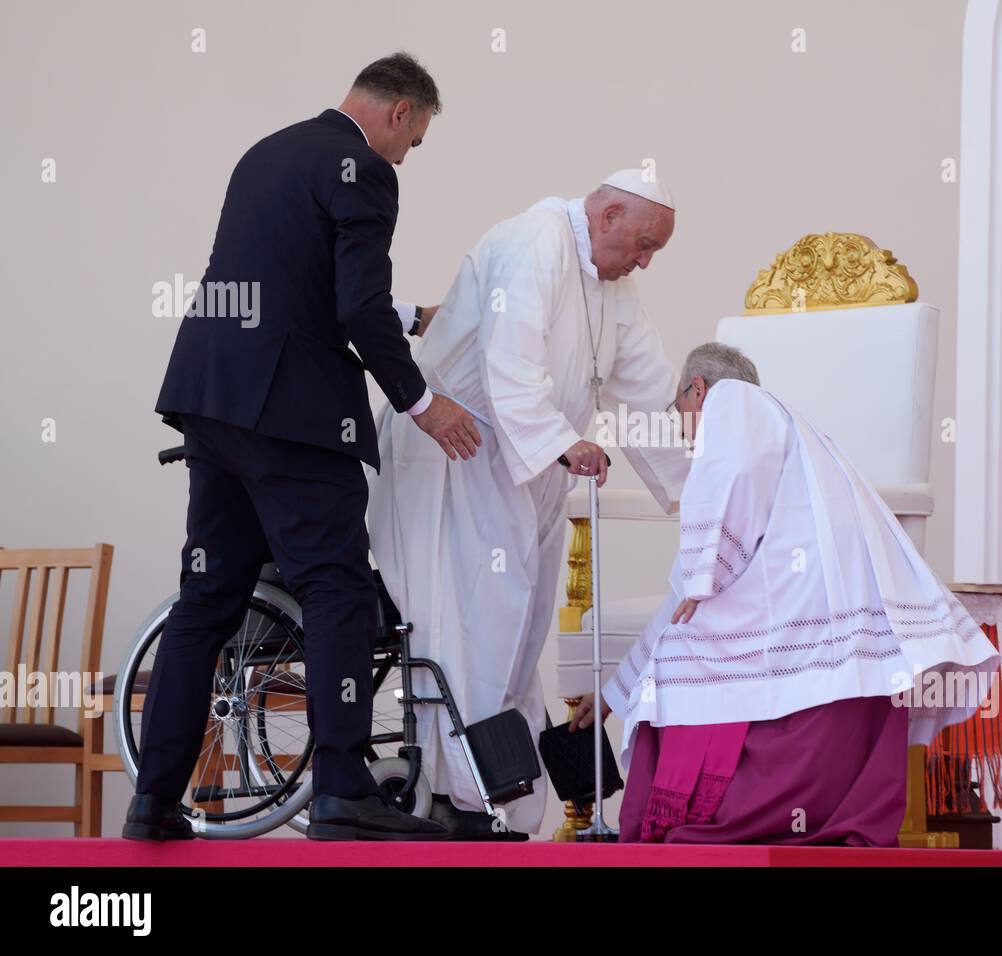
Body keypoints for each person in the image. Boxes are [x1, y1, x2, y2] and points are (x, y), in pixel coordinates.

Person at [127, 53, 481, 842]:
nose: (406, 156)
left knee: (207, 599)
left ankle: (152, 803)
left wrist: (411, 315)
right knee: (336, 590)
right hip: (294, 413)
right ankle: (342, 791)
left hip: (211, 399)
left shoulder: (269, 152)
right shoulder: (366, 168)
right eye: (414, 140)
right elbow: (353, 308)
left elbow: (297, 281)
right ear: (399, 113)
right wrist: (422, 402)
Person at [367, 170, 692, 836]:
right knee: (471, 630)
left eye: (654, 250)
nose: (645, 261)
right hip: (456, 465)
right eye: (642, 244)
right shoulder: (534, 242)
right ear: (606, 217)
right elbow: (507, 363)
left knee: (517, 633)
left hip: (527, 474)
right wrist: (559, 442)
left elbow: (650, 392)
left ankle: (501, 803)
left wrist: (701, 490)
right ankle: (457, 797)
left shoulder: (613, 287)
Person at [571, 343, 1000, 845]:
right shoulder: (795, 431)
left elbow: (729, 483)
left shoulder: (734, 403)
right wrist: (611, 696)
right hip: (840, 609)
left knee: (685, 655)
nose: (685, 431)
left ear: (699, 390)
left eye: (679, 411)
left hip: (803, 595)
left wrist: (704, 573)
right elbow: (676, 607)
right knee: (684, 639)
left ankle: (694, 817)